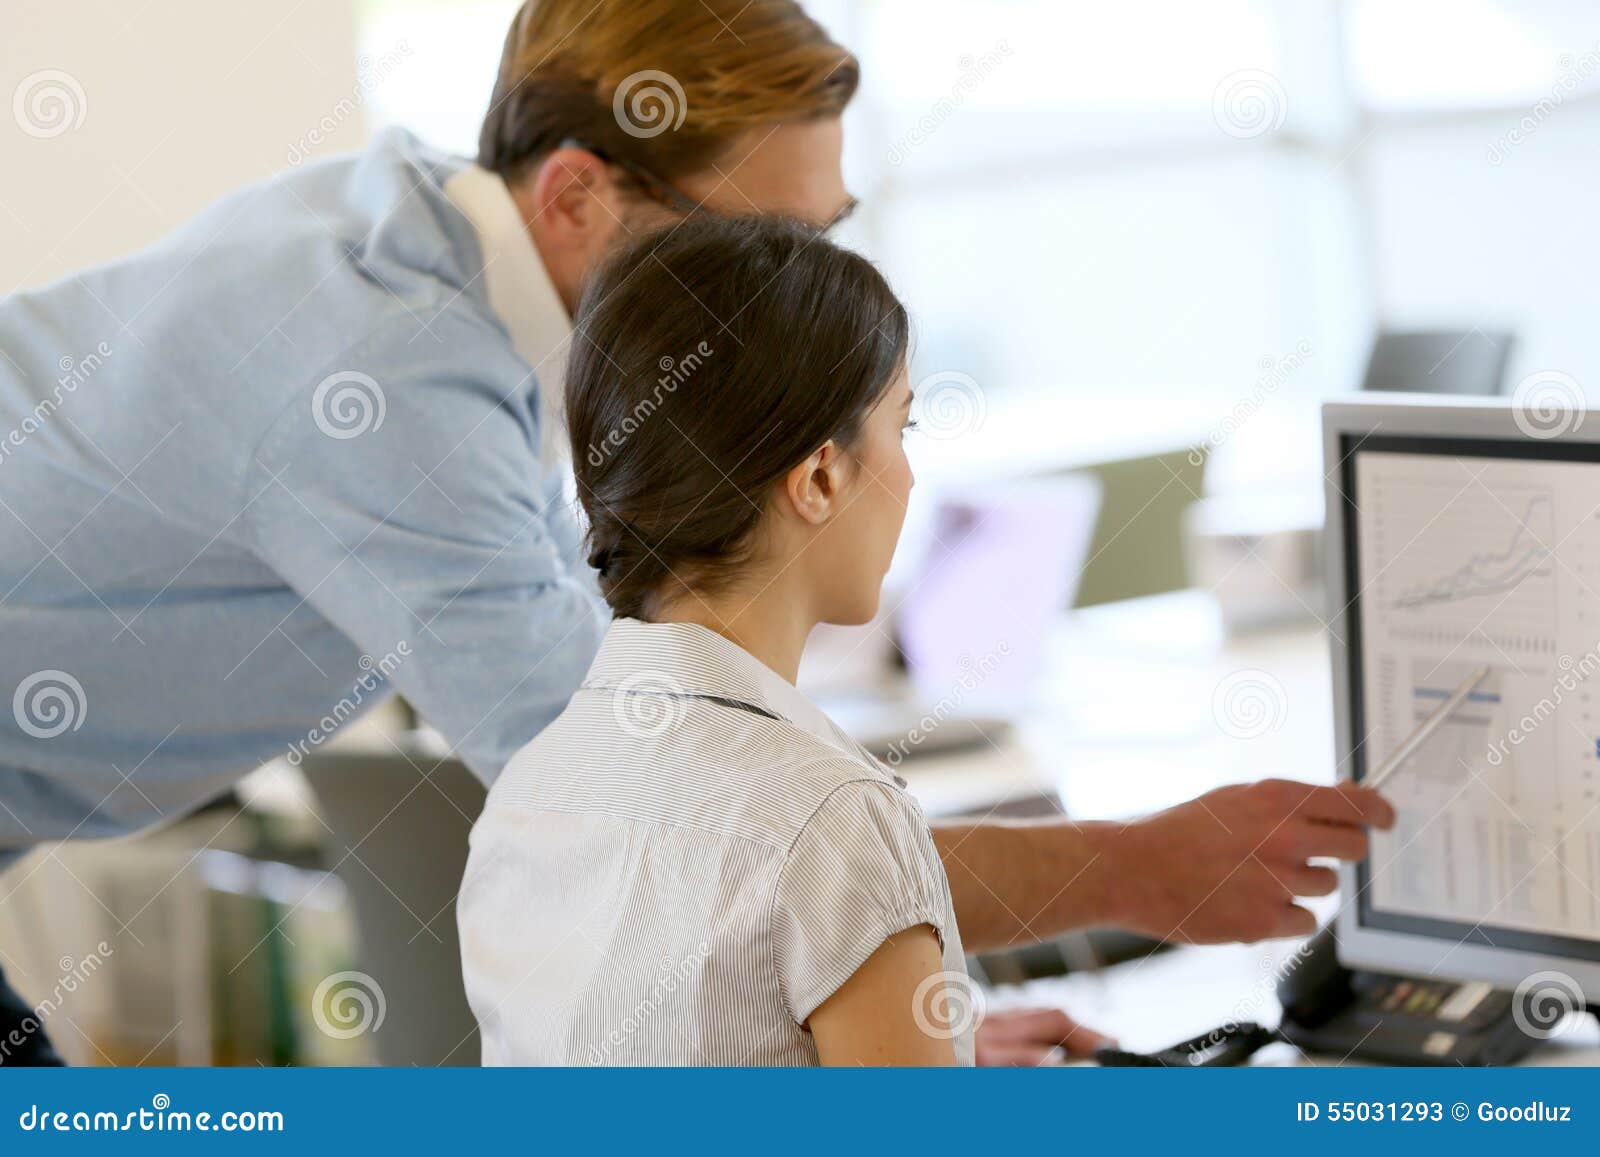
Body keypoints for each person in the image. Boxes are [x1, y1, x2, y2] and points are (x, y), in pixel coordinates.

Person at [0, 0, 1393, 1064]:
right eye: (751, 256)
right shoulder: (384, 383)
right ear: (572, 195)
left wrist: (885, 1038)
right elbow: (695, 825)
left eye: (823, 245)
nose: (802, 314)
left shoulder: (425, 266)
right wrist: (1138, 869)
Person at [461, 214, 974, 1064]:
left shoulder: (526, 795)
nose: (912, 474)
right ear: (818, 476)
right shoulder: (834, 822)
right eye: (902, 428)